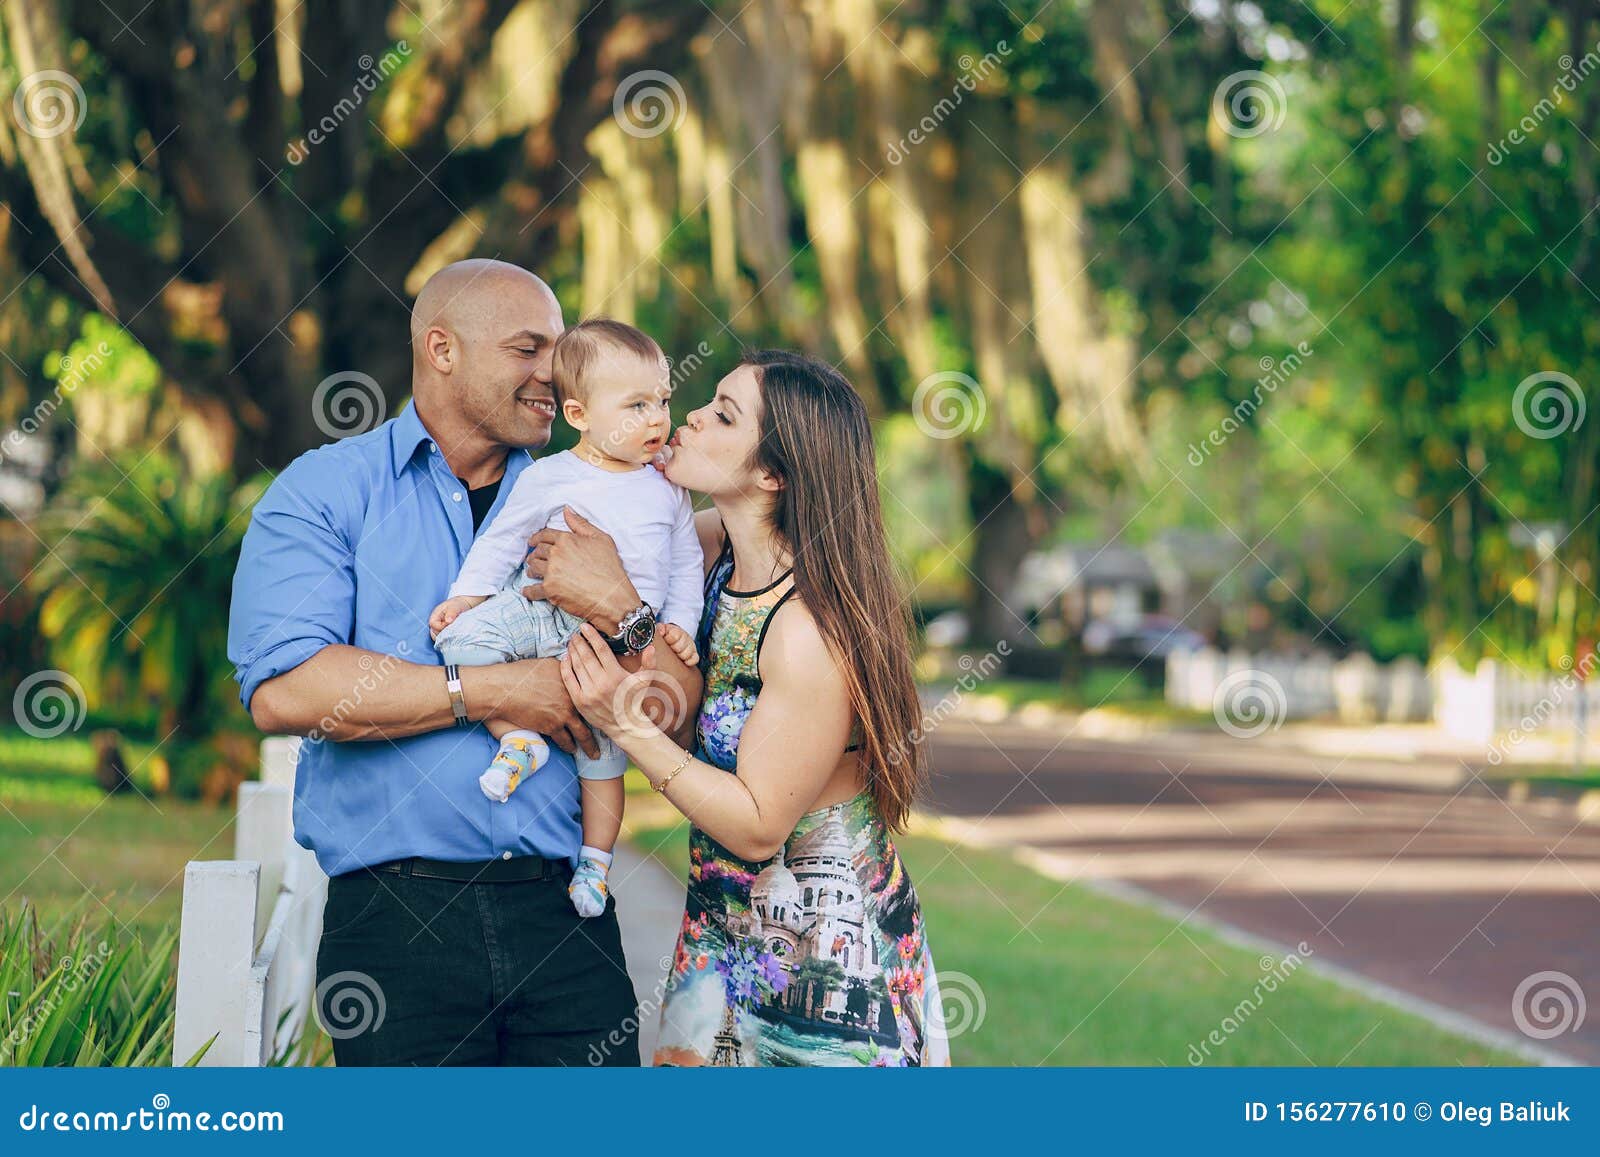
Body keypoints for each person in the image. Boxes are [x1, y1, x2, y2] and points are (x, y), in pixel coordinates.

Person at [226, 259, 699, 1066]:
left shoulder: (606, 489)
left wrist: (620, 603)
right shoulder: (325, 491)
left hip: (566, 918)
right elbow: (286, 689)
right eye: (529, 348)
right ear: (441, 349)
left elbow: (673, 706)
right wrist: (496, 689)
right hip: (395, 924)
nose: (556, 370)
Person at [549, 349, 951, 1066]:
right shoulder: (712, 556)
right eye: (708, 401)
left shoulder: (805, 629)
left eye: (725, 415)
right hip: (720, 934)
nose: (691, 416)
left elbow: (760, 823)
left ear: (772, 474)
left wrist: (624, 723)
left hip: (826, 965)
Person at [428, 318, 703, 918]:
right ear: (578, 415)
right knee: (458, 641)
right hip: (542, 621)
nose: (658, 418)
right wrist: (469, 596)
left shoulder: (667, 489)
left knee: (603, 760)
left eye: (662, 401)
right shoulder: (549, 477)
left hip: (612, 647)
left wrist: (679, 621)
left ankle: (596, 864)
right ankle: (517, 738)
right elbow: (502, 540)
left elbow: (686, 562)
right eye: (635, 405)